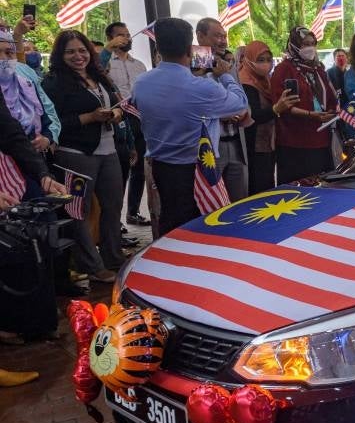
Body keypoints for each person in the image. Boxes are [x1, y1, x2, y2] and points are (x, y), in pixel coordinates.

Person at [132, 17, 248, 235]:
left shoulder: (141, 82)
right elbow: (239, 105)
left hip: (160, 165)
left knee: (170, 220)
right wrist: (225, 76)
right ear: (190, 47)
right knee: (200, 223)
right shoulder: (200, 86)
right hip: (195, 169)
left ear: (158, 47)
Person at [42, 30, 126, 283]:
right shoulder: (54, 82)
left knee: (113, 207)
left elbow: (118, 104)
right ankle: (92, 266)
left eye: (82, 50)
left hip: (109, 149)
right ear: (60, 55)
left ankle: (114, 256)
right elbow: (54, 123)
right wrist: (90, 118)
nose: (78, 56)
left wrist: (116, 113)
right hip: (75, 155)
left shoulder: (99, 76)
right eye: (70, 52)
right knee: (78, 211)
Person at [0, 96, 66, 376]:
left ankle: (32, 323)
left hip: (11, 180)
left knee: (32, 246)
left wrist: (42, 174)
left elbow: (12, 135)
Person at [270, 27, 338, 184]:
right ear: (294, 45)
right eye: (305, 44)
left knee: (321, 188)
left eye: (313, 43)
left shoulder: (318, 69)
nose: (310, 48)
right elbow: (283, 105)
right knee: (299, 192)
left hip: (322, 139)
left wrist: (333, 111)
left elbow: (331, 97)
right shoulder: (284, 69)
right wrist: (311, 115)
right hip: (295, 143)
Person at [196, 18, 248, 201]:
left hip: (236, 143)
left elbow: (241, 99)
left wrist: (240, 113)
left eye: (224, 36)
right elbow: (197, 104)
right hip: (210, 147)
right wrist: (221, 115)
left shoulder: (228, 62)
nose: (223, 40)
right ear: (200, 36)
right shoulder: (193, 64)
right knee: (214, 203)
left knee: (238, 202)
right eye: (217, 36)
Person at [104, 22, 150, 226]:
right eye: (121, 35)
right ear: (111, 39)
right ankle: (116, 221)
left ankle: (133, 212)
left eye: (128, 34)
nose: (127, 38)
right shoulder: (105, 64)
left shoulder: (139, 65)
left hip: (139, 118)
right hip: (117, 119)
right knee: (121, 169)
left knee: (139, 167)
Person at [238, 40, 299, 194]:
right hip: (253, 145)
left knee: (268, 185)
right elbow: (253, 116)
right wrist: (276, 108)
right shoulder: (245, 82)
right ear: (248, 59)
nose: (266, 64)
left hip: (268, 143)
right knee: (259, 188)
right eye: (260, 60)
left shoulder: (266, 81)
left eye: (268, 60)